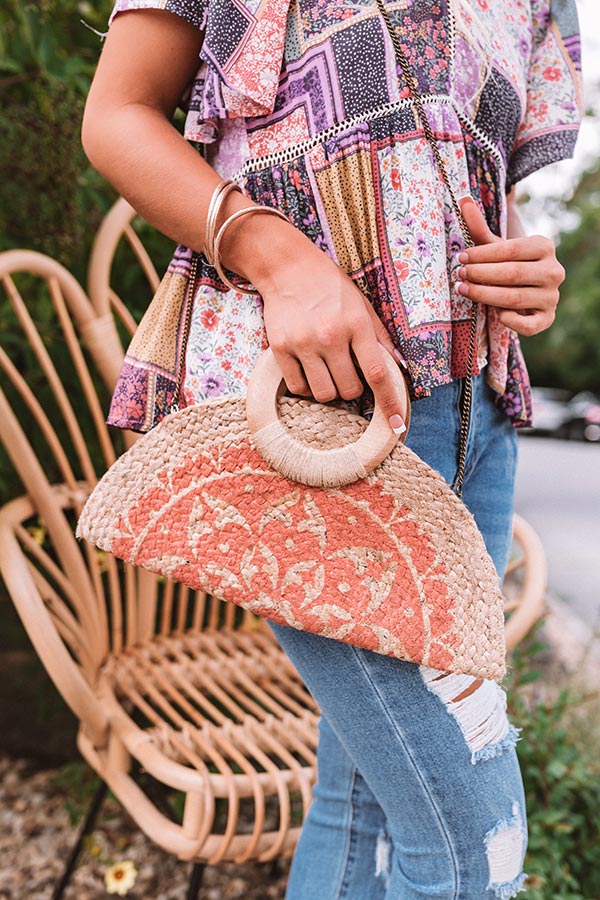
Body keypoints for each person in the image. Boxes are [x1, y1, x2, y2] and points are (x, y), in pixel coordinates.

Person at [82, 0, 582, 895]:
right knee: (476, 840)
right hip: (315, 412)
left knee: (363, 804)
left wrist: (530, 273)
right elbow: (118, 113)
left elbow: (467, 167)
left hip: (483, 409)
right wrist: (277, 256)